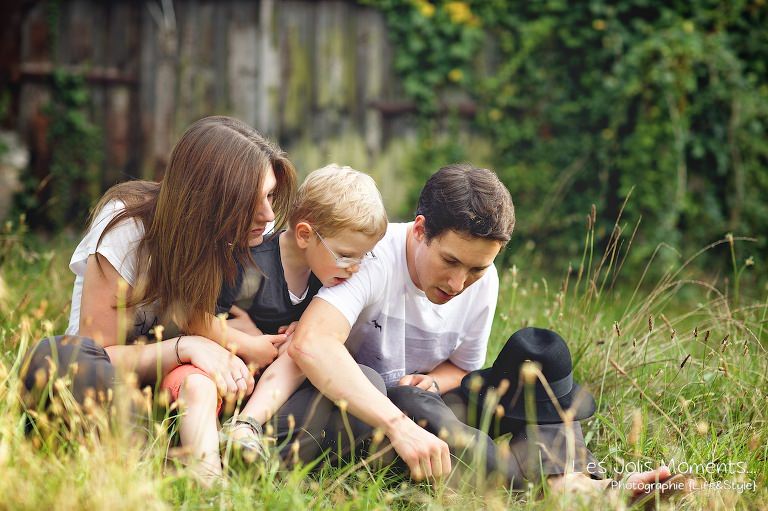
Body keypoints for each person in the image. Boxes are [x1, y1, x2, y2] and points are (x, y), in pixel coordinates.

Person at [275, 163, 673, 497]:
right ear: (419, 230)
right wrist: (399, 425)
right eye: (450, 261)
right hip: (372, 410)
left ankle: (570, 480)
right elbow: (312, 344)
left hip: (433, 400)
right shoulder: (371, 257)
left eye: (476, 268)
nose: (458, 282)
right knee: (411, 403)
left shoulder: (484, 279)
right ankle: (533, 486)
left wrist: (434, 380)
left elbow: (462, 369)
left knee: (540, 353)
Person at [21, 116, 298, 482]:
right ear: (210, 200)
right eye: (253, 200)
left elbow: (215, 328)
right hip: (110, 386)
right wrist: (183, 347)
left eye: (270, 196)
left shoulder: (229, 240)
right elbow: (96, 356)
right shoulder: (127, 228)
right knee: (54, 360)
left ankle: (209, 447)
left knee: (319, 399)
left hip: (186, 393)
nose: (267, 215)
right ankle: (169, 452)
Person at [160, 164, 388, 464]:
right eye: (346, 256)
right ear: (305, 235)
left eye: (362, 257)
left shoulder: (327, 278)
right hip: (223, 381)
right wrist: (247, 341)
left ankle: (249, 442)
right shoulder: (249, 266)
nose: (354, 268)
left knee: (337, 366)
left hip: (272, 397)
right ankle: (217, 449)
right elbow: (192, 318)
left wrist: (302, 329)